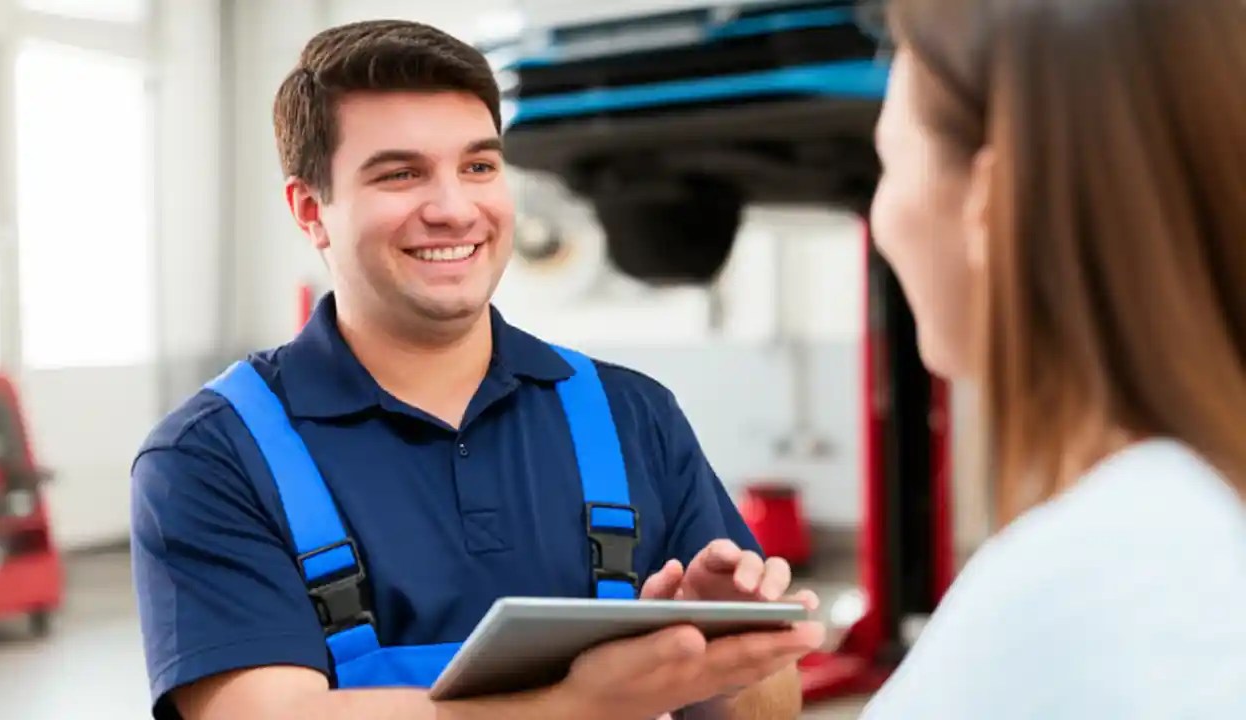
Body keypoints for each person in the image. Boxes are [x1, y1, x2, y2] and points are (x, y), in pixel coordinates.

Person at [129, 19, 823, 720]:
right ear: (312, 211)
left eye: (479, 167)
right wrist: (576, 704)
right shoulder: (211, 456)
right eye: (400, 174)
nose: (454, 209)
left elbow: (772, 704)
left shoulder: (631, 416)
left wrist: (719, 654)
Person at [860, 0, 1246, 717]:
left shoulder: (1103, 577)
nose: (880, 221)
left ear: (992, 198)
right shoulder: (1191, 526)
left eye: (886, 163)